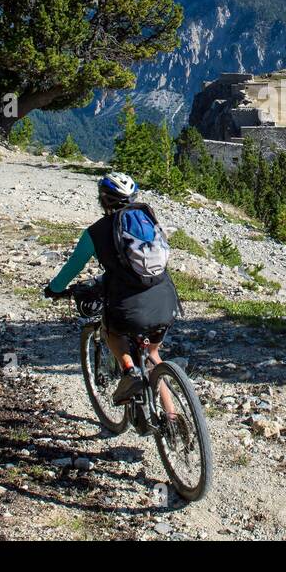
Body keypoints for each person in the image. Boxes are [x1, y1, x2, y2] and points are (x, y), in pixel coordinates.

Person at [44, 172, 180, 405]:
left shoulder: (96, 232)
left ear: (103, 200)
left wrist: (55, 289)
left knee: (110, 330)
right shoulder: (147, 218)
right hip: (166, 300)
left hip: (129, 308)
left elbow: (72, 267)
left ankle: (129, 372)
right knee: (153, 355)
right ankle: (173, 416)